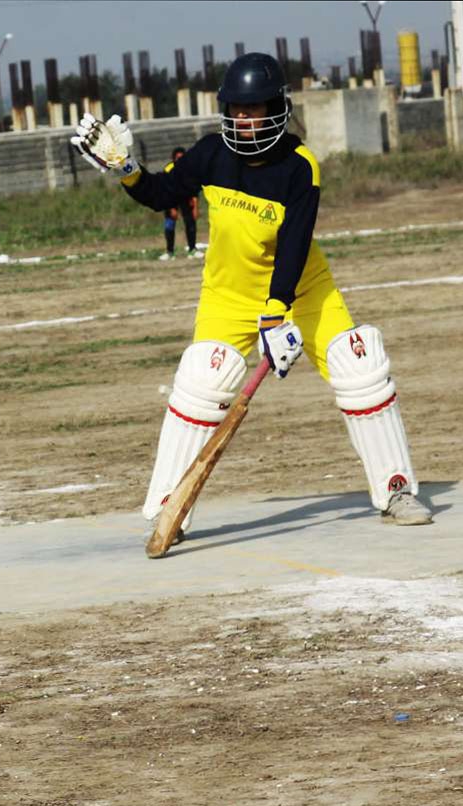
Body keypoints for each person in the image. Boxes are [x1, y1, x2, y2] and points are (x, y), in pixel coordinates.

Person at [71, 52, 432, 540]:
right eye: (235, 109)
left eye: (253, 109)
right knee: (204, 376)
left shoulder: (299, 167)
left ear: (276, 109)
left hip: (302, 290)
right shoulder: (210, 153)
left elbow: (295, 243)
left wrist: (278, 311)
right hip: (229, 295)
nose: (242, 118)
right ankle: (168, 509)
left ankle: (396, 490)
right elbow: (161, 194)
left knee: (357, 362)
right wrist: (127, 168)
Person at [159, 147, 203, 261]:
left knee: (190, 223)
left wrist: (195, 207)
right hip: (171, 198)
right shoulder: (168, 169)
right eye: (178, 158)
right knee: (169, 224)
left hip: (185, 197)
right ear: (173, 159)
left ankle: (192, 250)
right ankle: (170, 252)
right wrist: (171, 208)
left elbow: (194, 190)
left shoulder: (191, 170)